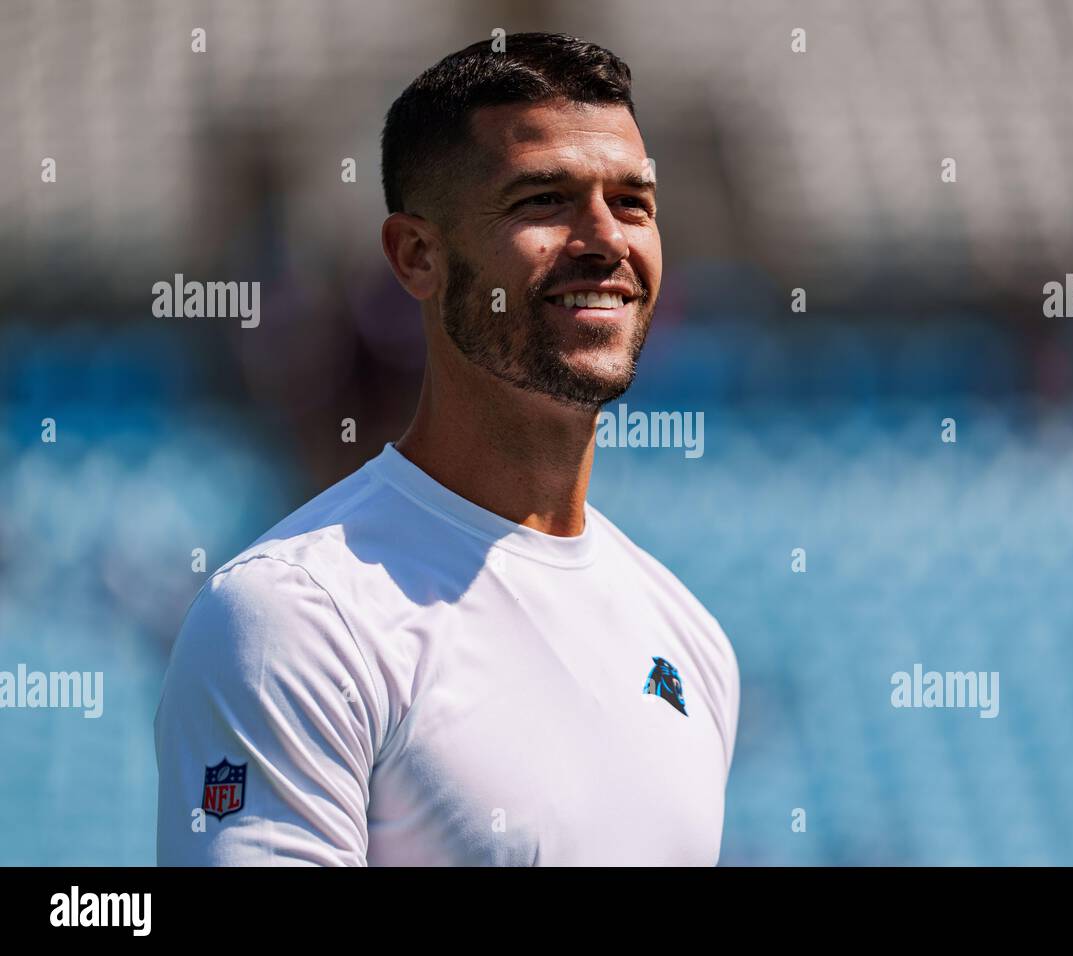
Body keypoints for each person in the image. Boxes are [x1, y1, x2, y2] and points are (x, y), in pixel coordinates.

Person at [154, 32, 740, 866]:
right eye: (545, 200)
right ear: (417, 256)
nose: (606, 238)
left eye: (633, 202)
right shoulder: (293, 616)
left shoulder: (691, 638)